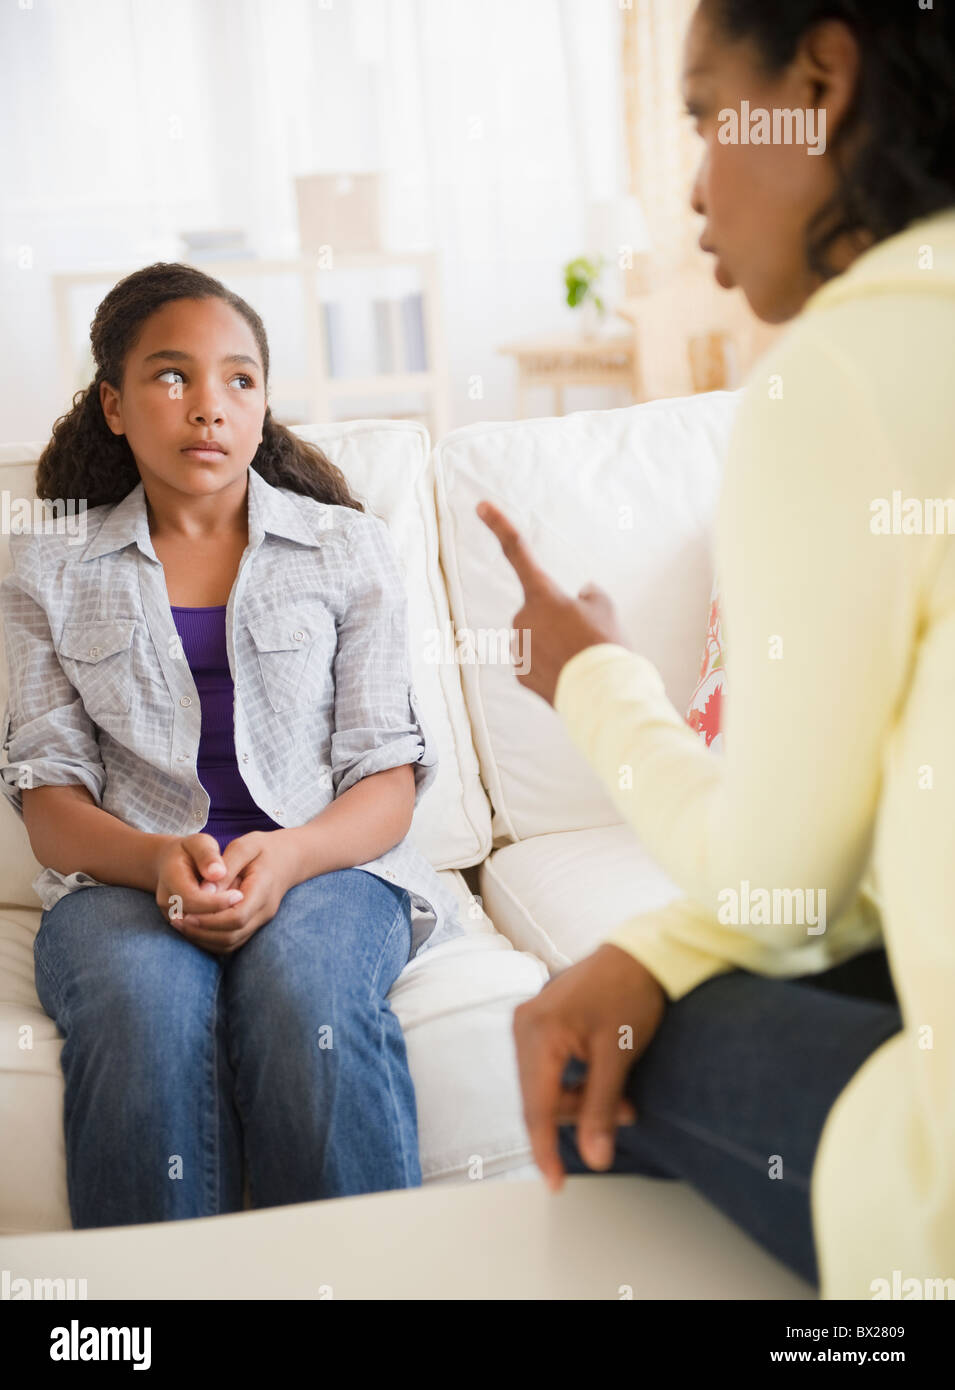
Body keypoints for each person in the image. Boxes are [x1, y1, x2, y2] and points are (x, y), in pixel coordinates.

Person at [477, 0, 955, 1298]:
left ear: (819, 78)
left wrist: (586, 672)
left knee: (600, 1036)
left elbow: (780, 888)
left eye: (700, 117)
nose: (691, 193)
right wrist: (668, 940)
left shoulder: (842, 375)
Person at [0, 262, 464, 1228]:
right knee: (141, 1013)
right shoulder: (46, 565)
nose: (208, 406)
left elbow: (385, 775)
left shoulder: (347, 548)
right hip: (124, 883)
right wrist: (158, 859)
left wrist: (287, 857)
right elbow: (49, 802)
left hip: (330, 866)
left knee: (309, 1003)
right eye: (172, 377)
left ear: (261, 404)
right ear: (115, 405)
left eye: (239, 380)